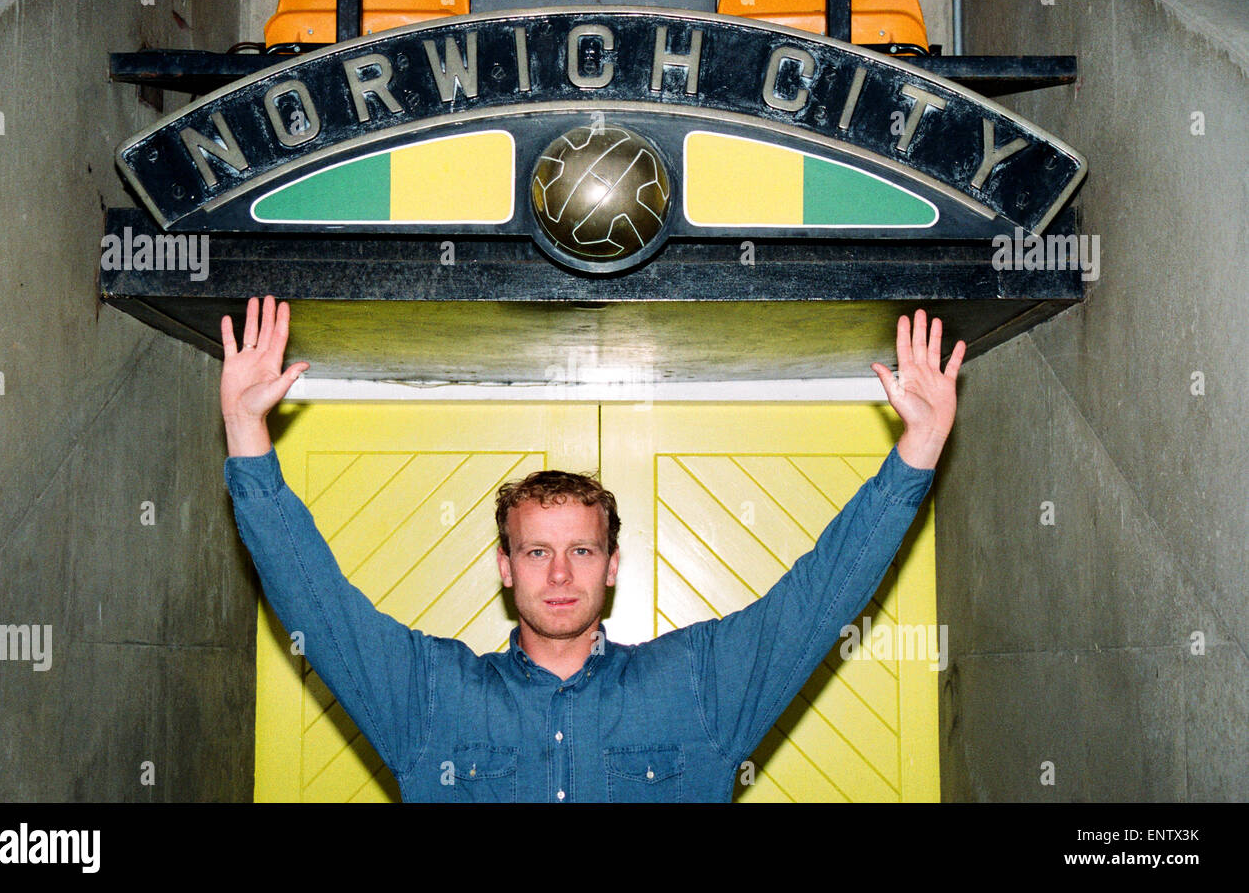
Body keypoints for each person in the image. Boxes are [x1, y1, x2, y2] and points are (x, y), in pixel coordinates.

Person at [220, 295, 965, 802]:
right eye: (537, 551)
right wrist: (248, 434)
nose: (560, 573)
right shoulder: (430, 699)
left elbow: (817, 601)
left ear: (612, 566)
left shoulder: (698, 686)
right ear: (505, 567)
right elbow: (317, 602)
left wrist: (919, 448)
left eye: (581, 550)